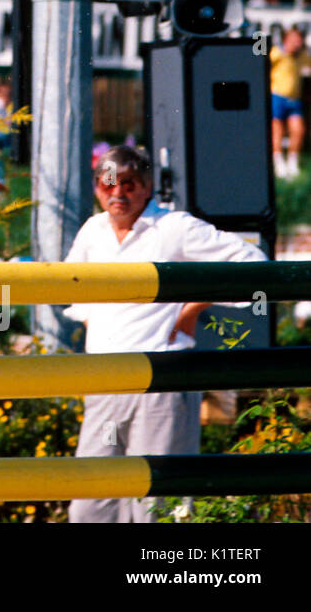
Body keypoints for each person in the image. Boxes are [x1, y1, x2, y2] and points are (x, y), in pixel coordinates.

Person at [64, 146, 266, 524]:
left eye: (129, 184)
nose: (117, 193)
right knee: (91, 506)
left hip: (161, 386)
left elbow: (252, 264)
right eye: (108, 184)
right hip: (105, 389)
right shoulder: (93, 232)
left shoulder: (174, 227)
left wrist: (189, 312)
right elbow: (74, 297)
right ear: (96, 188)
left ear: (148, 187)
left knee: (156, 507)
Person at [270, 27, 311, 178]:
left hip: (294, 99)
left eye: (299, 40)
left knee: (298, 129)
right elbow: (258, 59)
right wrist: (258, 36)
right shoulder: (277, 53)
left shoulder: (302, 56)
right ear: (286, 39)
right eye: (294, 39)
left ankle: (292, 162)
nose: (297, 43)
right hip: (277, 96)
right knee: (277, 130)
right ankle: (278, 162)